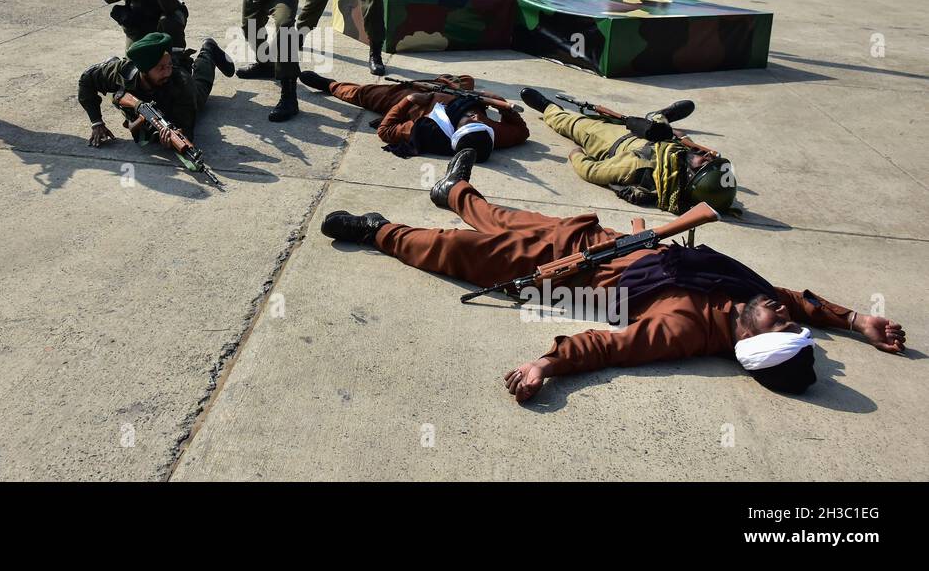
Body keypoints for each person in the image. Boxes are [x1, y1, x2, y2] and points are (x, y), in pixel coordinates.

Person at [319, 150, 906, 402]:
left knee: (457, 252)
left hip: (572, 277)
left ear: (752, 342)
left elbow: (611, 344)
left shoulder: (685, 328)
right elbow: (796, 300)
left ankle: (378, 231)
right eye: (780, 317)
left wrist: (546, 363)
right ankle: (453, 190)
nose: (778, 310)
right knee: (504, 218)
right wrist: (856, 320)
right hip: (603, 244)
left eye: (776, 322)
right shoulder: (751, 302)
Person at [519, 88, 736, 214]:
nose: (706, 155)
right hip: (653, 138)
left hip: (609, 139)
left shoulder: (638, 166)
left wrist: (577, 155)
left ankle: (548, 108)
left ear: (690, 176)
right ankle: (658, 117)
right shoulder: (676, 162)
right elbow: (680, 145)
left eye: (703, 162)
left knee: (574, 123)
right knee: (665, 131)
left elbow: (592, 171)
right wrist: (683, 140)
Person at [299, 71, 527, 159]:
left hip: (413, 99)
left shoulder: (425, 127)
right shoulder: (490, 134)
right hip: (453, 89)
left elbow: (385, 131)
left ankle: (330, 85)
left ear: (456, 131)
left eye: (470, 120)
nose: (476, 117)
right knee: (466, 79)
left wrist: (409, 101)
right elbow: (521, 131)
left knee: (364, 94)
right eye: (479, 121)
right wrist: (501, 106)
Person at [79, 31, 234, 148]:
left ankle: (208, 50)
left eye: (168, 66)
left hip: (176, 89)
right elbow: (86, 80)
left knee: (200, 93)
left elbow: (186, 130)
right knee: (110, 78)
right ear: (144, 70)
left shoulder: (180, 83)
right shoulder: (123, 72)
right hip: (136, 90)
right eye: (161, 68)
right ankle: (111, 65)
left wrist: (174, 136)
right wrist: (96, 122)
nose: (167, 72)